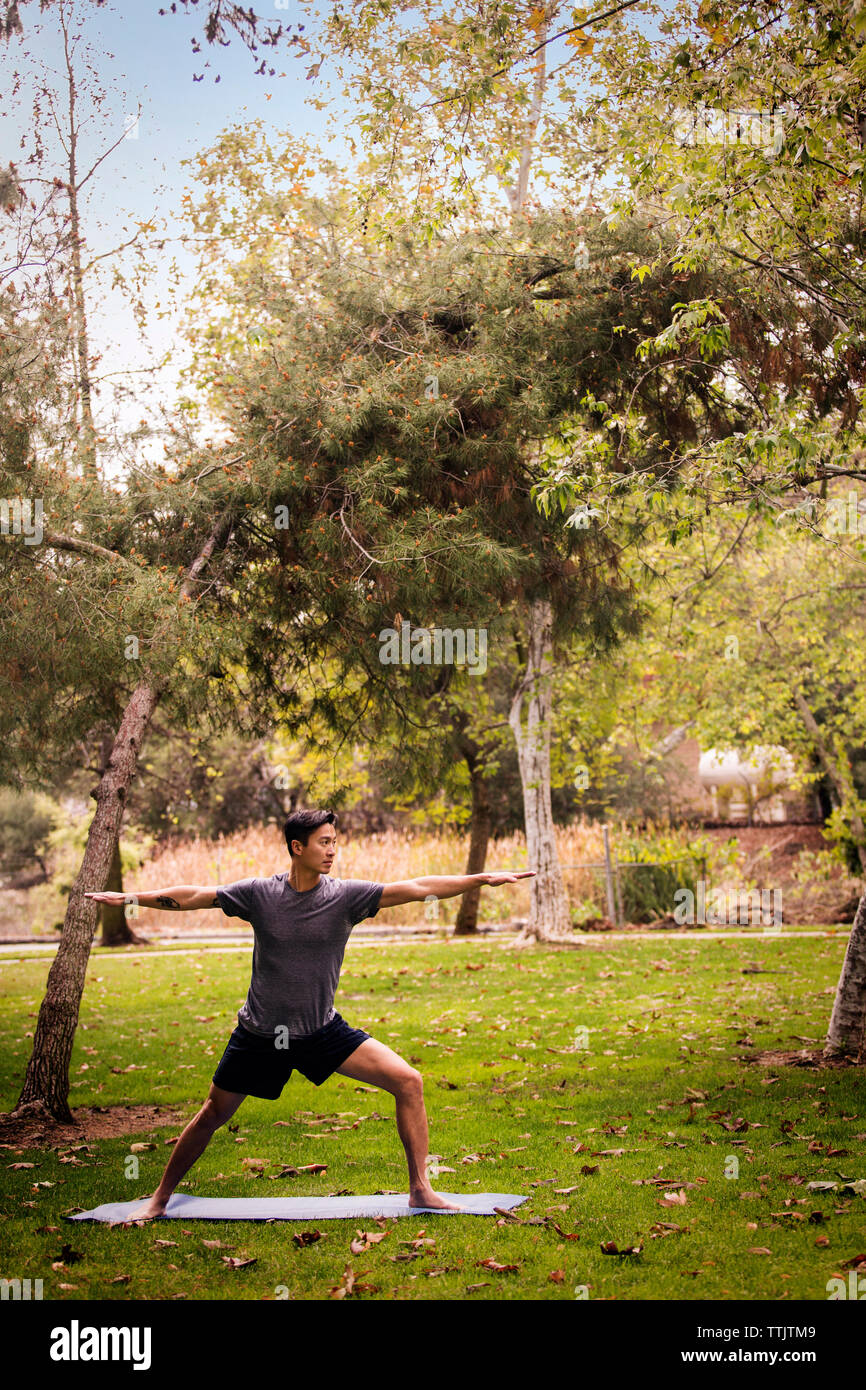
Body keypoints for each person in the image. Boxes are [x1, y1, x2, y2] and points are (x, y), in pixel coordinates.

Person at [85, 809, 534, 1217]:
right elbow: (196, 896)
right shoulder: (260, 894)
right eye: (324, 842)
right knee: (213, 1113)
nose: (332, 851)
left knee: (409, 1081)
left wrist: (479, 878)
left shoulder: (348, 897)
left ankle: (420, 1188)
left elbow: (418, 889)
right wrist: (131, 898)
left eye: (335, 841)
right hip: (261, 1034)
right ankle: (159, 1198)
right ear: (297, 847)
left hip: (320, 1031)